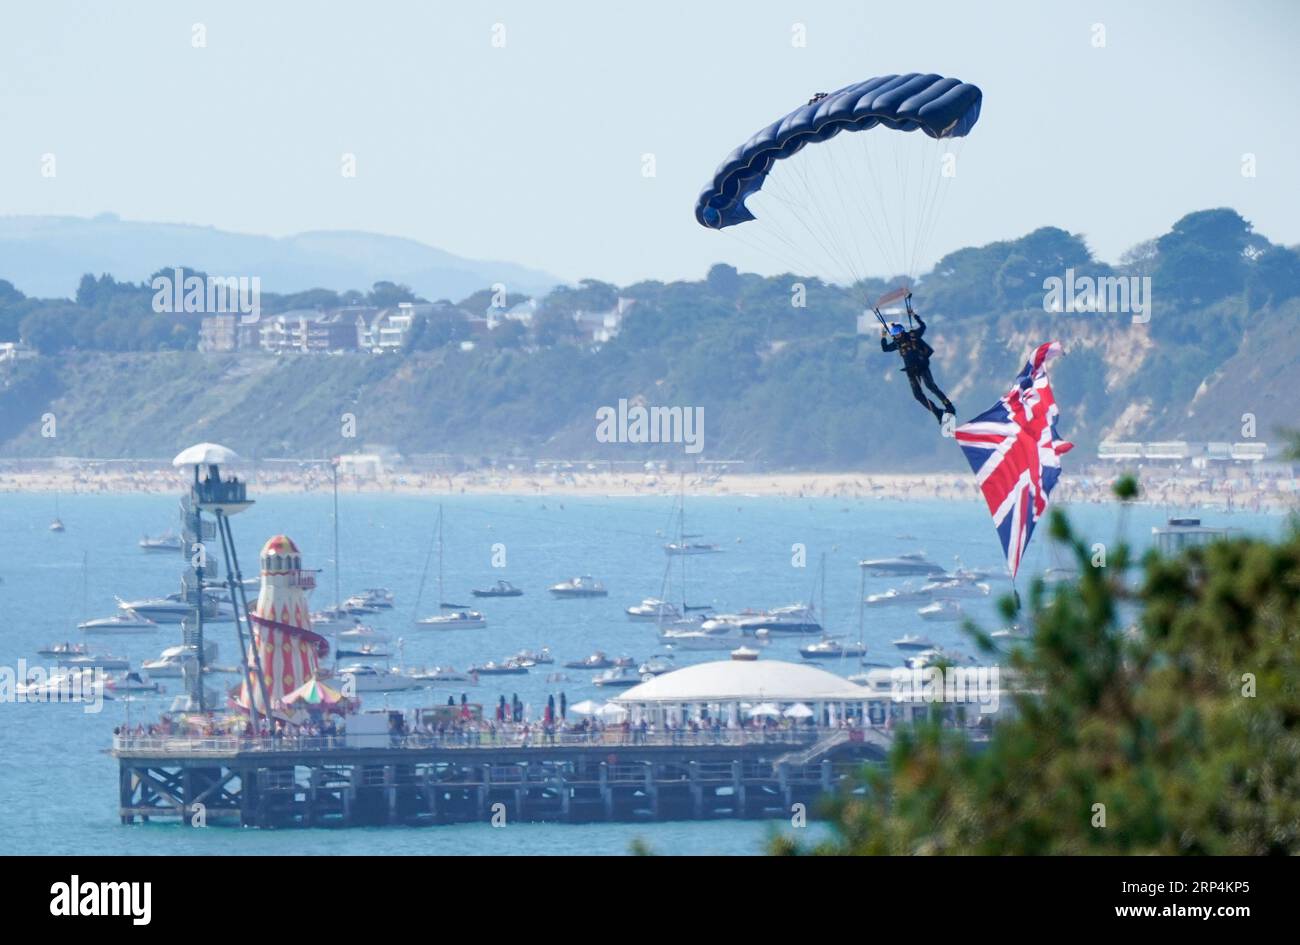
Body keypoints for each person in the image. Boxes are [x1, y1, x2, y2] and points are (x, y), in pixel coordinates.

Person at [879, 295, 955, 423]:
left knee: (931, 387)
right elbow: (885, 348)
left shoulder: (913, 335)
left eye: (897, 333)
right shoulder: (897, 344)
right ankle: (938, 412)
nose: (896, 336)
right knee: (918, 396)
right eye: (894, 335)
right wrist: (883, 336)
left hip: (921, 366)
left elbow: (923, 326)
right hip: (911, 371)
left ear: (902, 331)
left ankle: (949, 407)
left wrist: (914, 315)